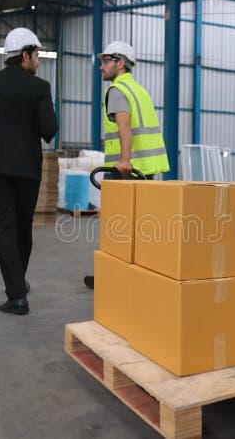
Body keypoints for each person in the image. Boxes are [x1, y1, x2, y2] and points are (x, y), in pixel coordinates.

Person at [0, 27, 58, 314]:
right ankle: (18, 287)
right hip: (27, 167)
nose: (39, 61)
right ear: (25, 55)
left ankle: (17, 292)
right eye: (37, 55)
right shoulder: (40, 88)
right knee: (22, 227)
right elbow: (49, 131)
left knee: (4, 229)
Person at [83, 41, 170, 290]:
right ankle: (136, 275)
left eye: (106, 61)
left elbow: (124, 126)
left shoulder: (117, 90)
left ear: (120, 63)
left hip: (127, 171)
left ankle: (113, 277)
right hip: (146, 168)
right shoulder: (139, 90)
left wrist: (123, 160)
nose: (101, 67)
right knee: (139, 226)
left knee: (117, 227)